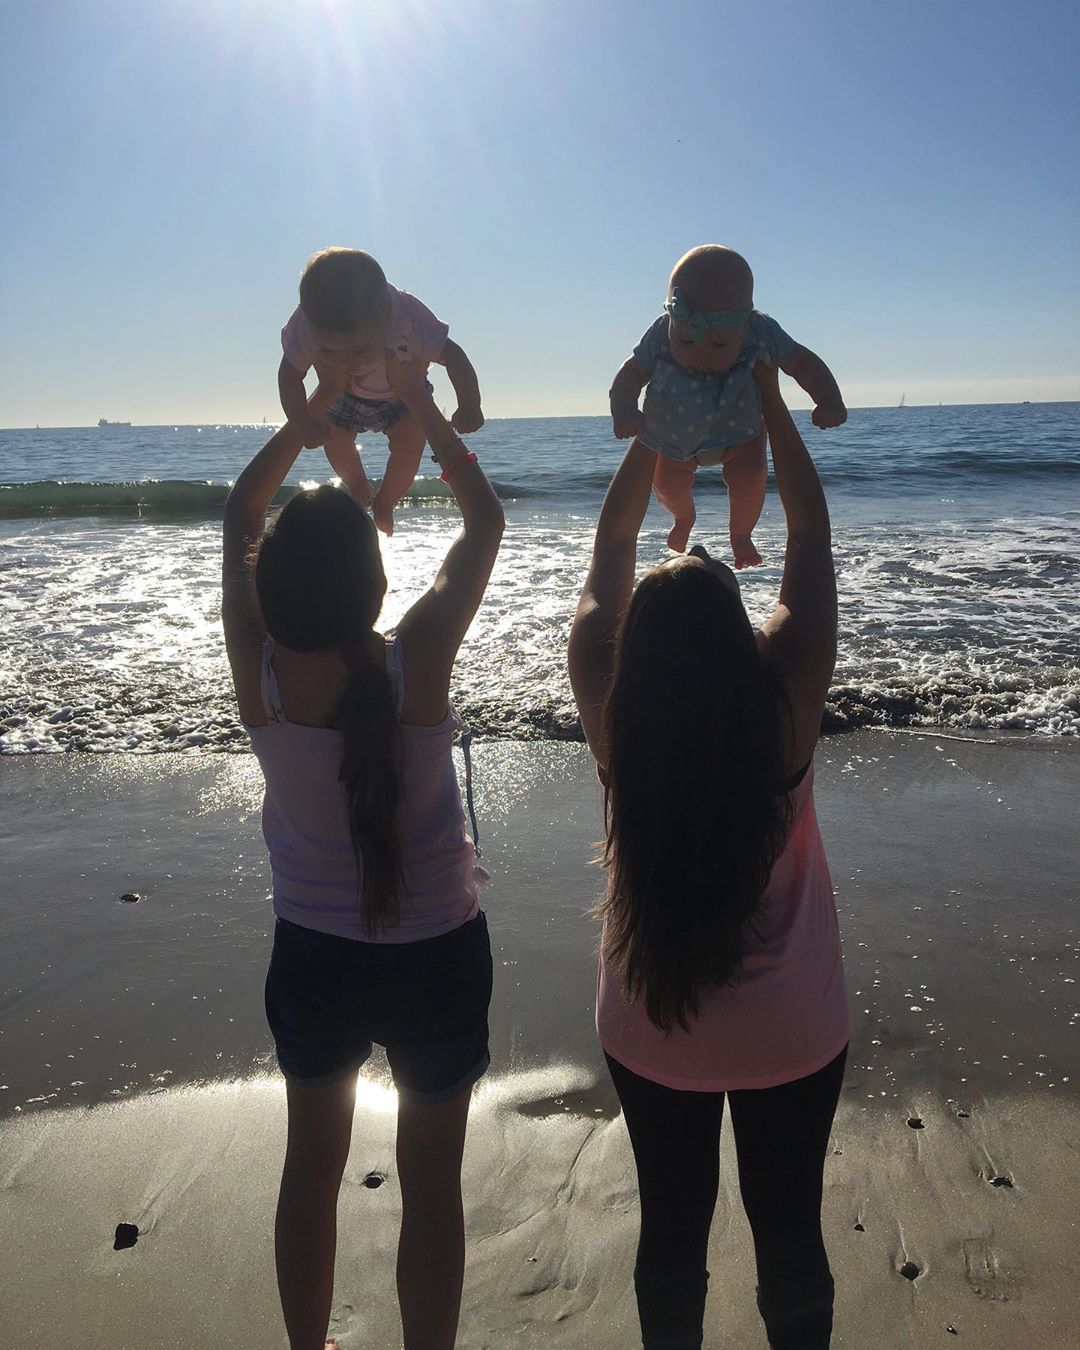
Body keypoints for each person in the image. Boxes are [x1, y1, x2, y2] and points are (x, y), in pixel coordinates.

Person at [222, 352, 503, 1350]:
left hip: (313, 955)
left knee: (311, 1170)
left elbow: (238, 516)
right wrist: (419, 403)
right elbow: (484, 525)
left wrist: (307, 419)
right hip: (437, 954)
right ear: (379, 584)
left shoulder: (259, 674)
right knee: (432, 1183)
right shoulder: (415, 661)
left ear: (270, 591)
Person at [569, 364, 849, 1350]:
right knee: (791, 1235)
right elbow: (809, 537)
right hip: (791, 1028)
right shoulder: (785, 703)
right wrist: (766, 399)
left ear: (635, 651)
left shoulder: (614, 711)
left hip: (654, 1020)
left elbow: (611, 549)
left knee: (671, 1238)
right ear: (741, 639)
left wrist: (659, 425)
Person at [609, 244, 846, 562]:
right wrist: (624, 410)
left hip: (740, 436)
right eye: (686, 341)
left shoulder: (761, 330)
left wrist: (828, 399)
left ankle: (741, 535)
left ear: (746, 323)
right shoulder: (661, 330)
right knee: (665, 482)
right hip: (675, 438)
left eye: (719, 345)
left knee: (751, 478)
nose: (700, 354)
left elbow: (802, 362)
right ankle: (683, 517)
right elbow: (631, 371)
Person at [278, 246, 485, 535]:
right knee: (334, 439)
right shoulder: (307, 323)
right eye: (328, 351)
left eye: (356, 351)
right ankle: (359, 486)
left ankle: (386, 501)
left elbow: (453, 355)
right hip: (344, 395)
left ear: (386, 321)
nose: (344, 361)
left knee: (410, 441)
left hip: (400, 397)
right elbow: (290, 375)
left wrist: (469, 404)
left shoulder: (408, 317)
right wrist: (302, 423)